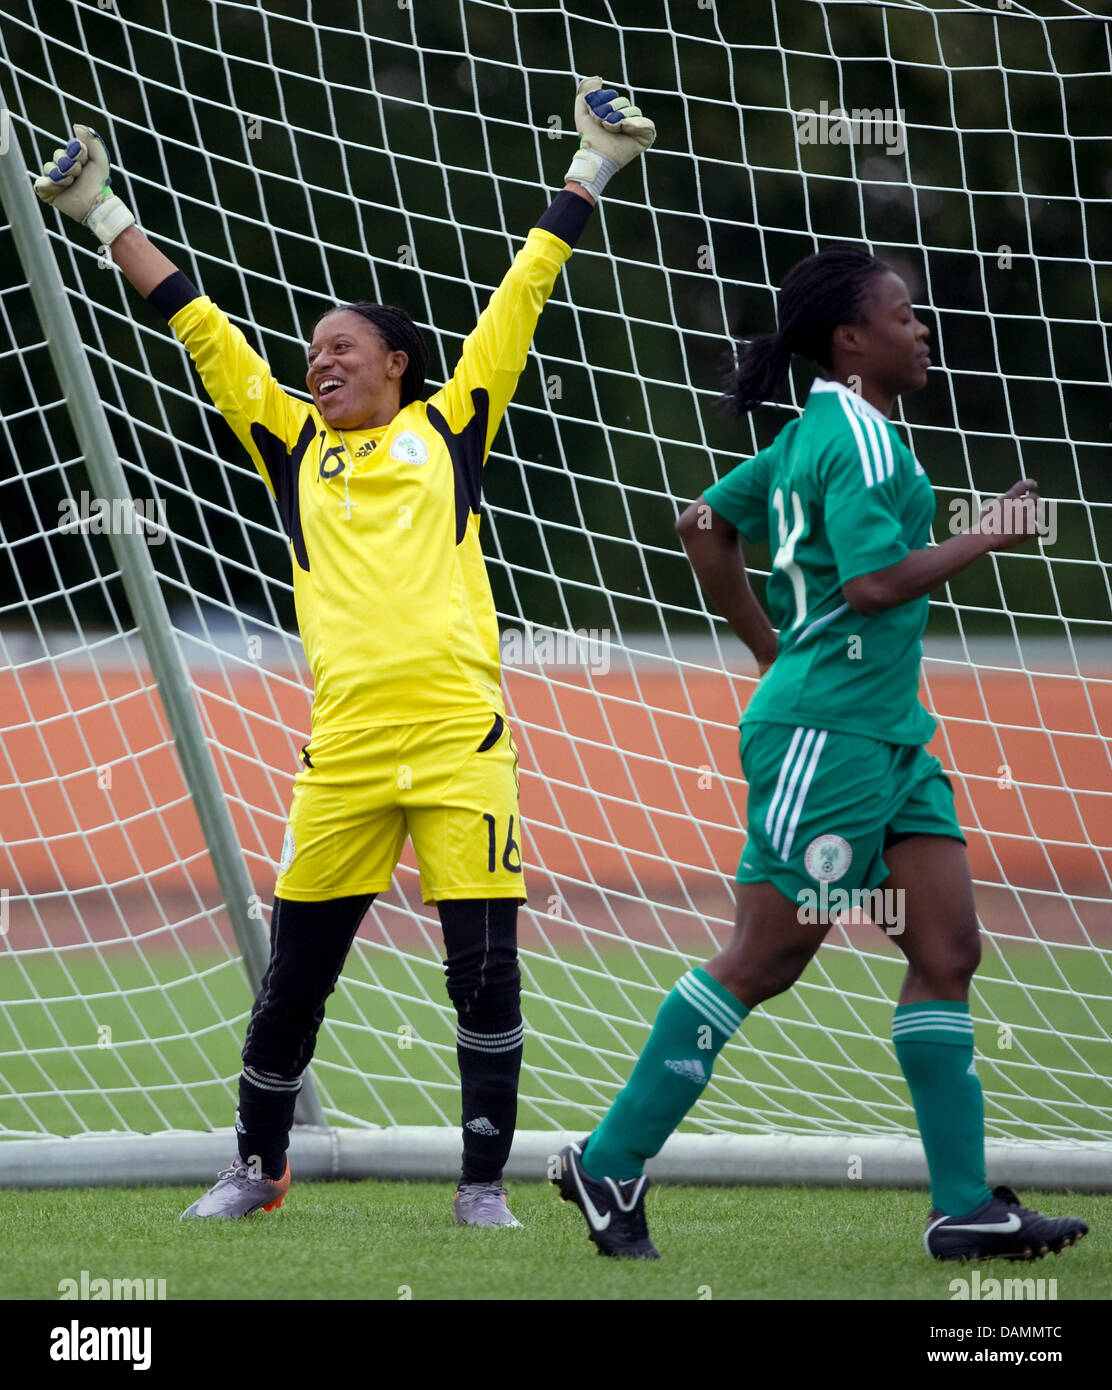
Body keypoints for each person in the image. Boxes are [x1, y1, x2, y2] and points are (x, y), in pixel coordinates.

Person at [35, 78, 654, 1226]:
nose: (319, 362)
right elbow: (202, 332)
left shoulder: (453, 424)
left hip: (463, 753)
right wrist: (104, 212)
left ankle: (480, 1189)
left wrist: (593, 169)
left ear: (398, 365)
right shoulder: (289, 444)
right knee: (292, 985)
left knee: (483, 977)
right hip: (345, 762)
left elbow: (520, 297)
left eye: (342, 348)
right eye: (313, 350)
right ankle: (255, 1168)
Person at [552, 245, 1090, 1262]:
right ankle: (607, 1160)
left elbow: (701, 523)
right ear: (851, 338)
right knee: (765, 956)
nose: (919, 328)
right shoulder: (854, 437)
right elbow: (873, 584)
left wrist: (771, 651)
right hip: (827, 735)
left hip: (886, 735)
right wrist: (987, 533)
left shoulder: (821, 429)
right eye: (902, 314)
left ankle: (964, 1203)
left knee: (945, 950)